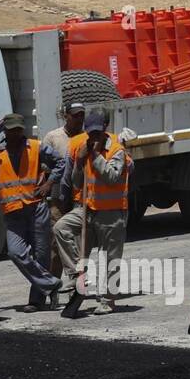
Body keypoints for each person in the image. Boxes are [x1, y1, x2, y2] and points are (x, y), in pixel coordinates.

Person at [53, 109, 129, 314]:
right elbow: (77, 182)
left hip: (112, 213)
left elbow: (112, 177)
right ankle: (76, 275)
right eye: (90, 133)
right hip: (88, 209)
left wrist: (95, 156)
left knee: (110, 258)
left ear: (104, 130)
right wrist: (80, 162)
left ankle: (107, 300)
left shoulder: (116, 150)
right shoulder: (83, 149)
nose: (93, 137)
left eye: (97, 133)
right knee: (61, 228)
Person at [0, 113, 62, 312]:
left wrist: (49, 183)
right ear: (5, 131)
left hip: (36, 206)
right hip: (12, 212)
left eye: (19, 129)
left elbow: (61, 163)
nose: (17, 133)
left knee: (41, 255)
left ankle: (37, 300)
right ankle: (51, 284)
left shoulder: (36, 147)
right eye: (12, 130)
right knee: (15, 252)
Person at [42, 102, 85, 279]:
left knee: (78, 244)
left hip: (79, 199)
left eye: (81, 115)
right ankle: (53, 286)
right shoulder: (53, 137)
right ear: (65, 116)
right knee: (55, 244)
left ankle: (76, 284)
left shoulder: (87, 137)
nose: (78, 119)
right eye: (74, 115)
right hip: (57, 200)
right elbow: (43, 165)